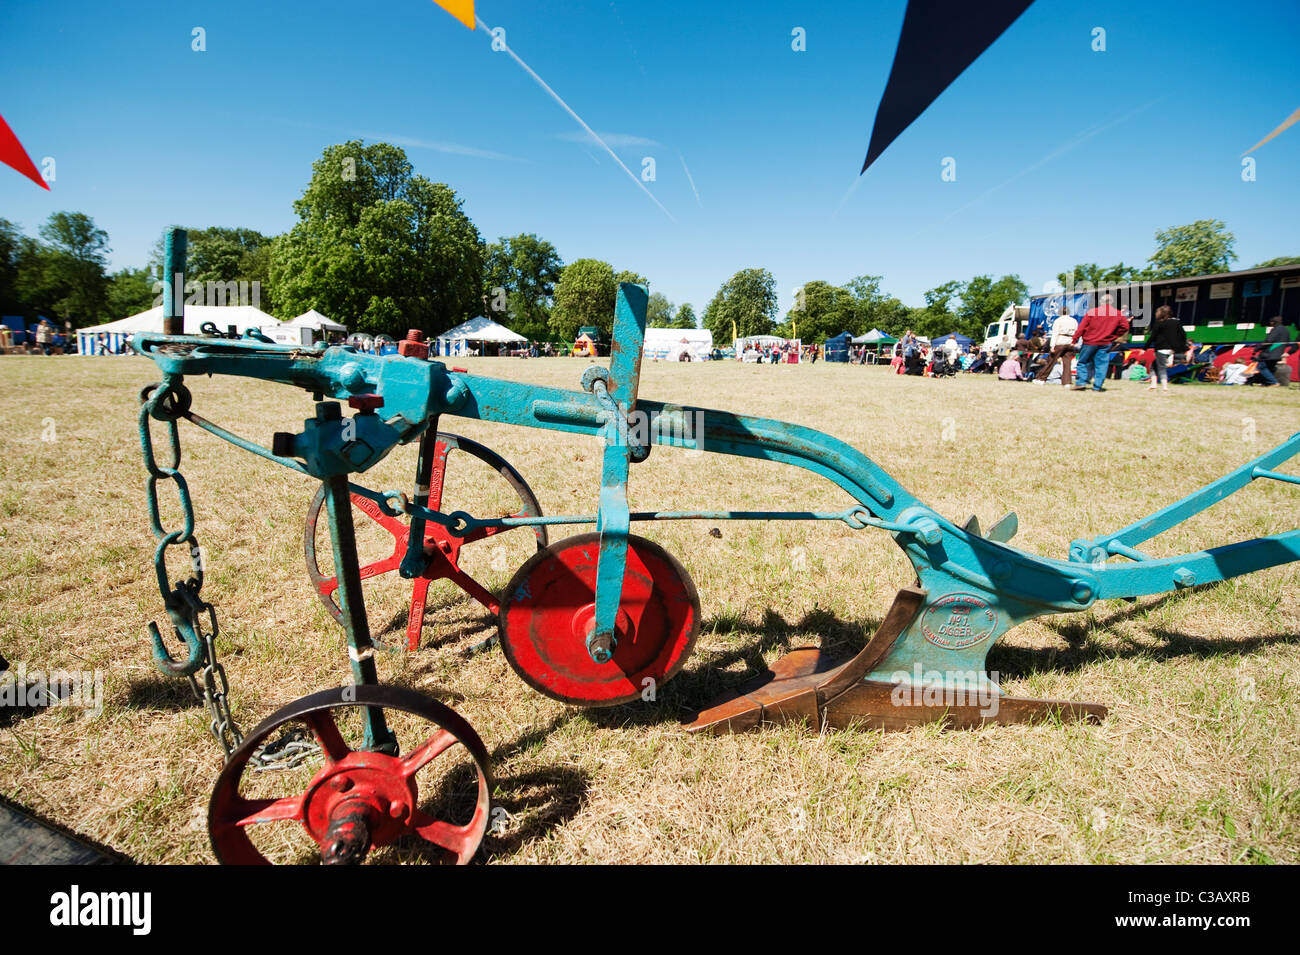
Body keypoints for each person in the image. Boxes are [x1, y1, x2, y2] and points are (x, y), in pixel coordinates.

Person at [1072, 293, 1129, 392]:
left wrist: (1074, 339)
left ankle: (1081, 382)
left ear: (1101, 302)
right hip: (1105, 343)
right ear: (1112, 302)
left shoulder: (1092, 312)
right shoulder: (1118, 313)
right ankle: (1097, 386)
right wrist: (1113, 336)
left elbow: (1082, 327)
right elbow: (1125, 327)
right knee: (1101, 365)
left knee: (1083, 362)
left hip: (1089, 342)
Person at [1145, 305, 1191, 393]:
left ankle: (1164, 386)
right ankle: (1153, 385)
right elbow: (1183, 335)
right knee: (1153, 366)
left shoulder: (1158, 323)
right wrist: (1180, 346)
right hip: (1171, 349)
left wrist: (1145, 348)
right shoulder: (1177, 322)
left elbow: (1152, 337)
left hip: (1161, 348)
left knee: (1161, 367)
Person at [1034, 307, 1077, 386]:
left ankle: (1041, 378)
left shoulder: (1058, 321)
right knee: (1067, 363)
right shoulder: (1074, 321)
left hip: (1060, 341)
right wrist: (1074, 343)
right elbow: (1076, 332)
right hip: (1070, 342)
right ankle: (1067, 382)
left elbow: (1055, 333)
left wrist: (1052, 345)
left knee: (1051, 361)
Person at [1256, 316, 1293, 388]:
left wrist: (1258, 348)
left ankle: (1273, 382)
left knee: (1261, 367)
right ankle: (1267, 383)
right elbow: (1287, 342)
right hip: (1279, 353)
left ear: (1273, 322)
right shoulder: (1286, 330)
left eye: (1271, 322)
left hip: (1270, 353)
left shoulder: (1276, 329)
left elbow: (1269, 341)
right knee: (1270, 367)